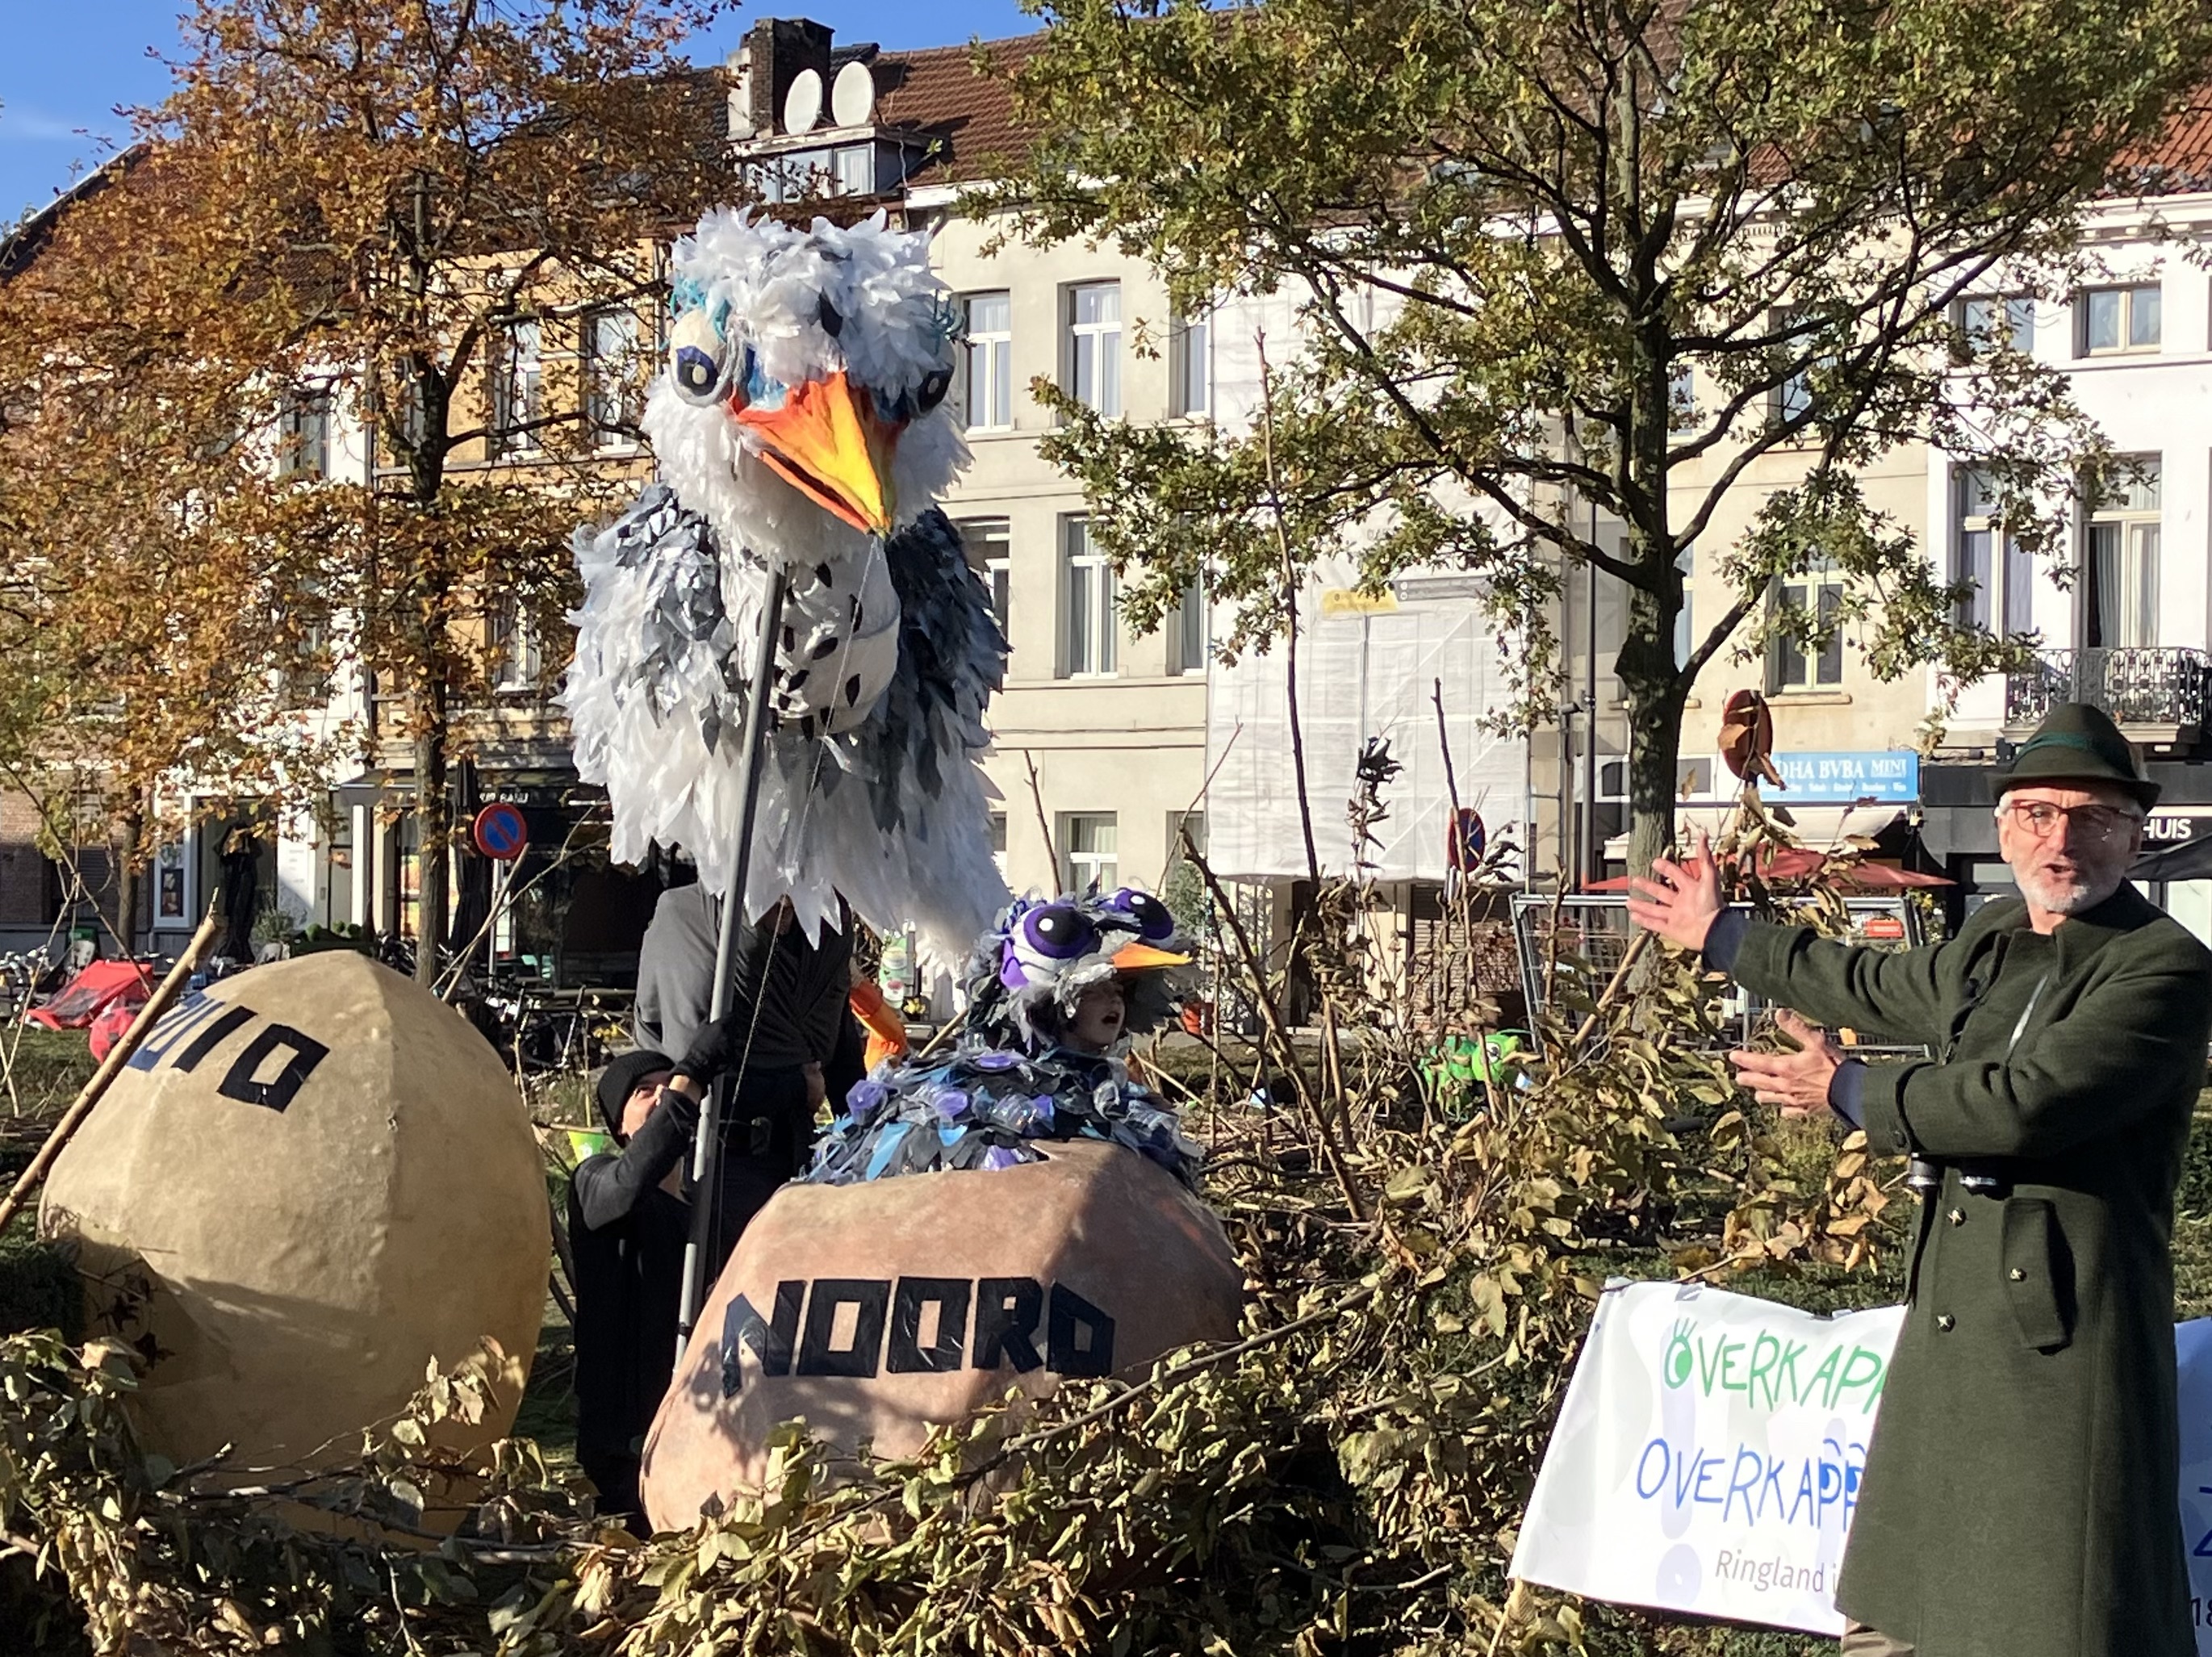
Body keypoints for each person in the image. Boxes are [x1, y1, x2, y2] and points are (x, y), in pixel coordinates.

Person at [1627, 702, 2212, 1657]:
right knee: (1903, 1611)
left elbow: (2022, 1103)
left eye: (2091, 816)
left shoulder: (2162, 968)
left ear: (2132, 833)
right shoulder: (1985, 940)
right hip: (1951, 1344)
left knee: (2047, 1615)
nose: (2059, 839)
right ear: (2001, 825)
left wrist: (1849, 1087)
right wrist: (1728, 938)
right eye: (2035, 812)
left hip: (2058, 1362)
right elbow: (1871, 986)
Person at [804, 889, 1202, 1186]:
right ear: (1050, 1002)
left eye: (1121, 989)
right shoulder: (976, 1096)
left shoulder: (1119, 1101)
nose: (1114, 1000)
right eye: (1095, 988)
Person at [633, 881, 865, 1261]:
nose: (787, 903)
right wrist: (793, 1086)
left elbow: (842, 1053)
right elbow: (685, 1060)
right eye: (776, 889)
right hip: (719, 1156)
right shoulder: (692, 921)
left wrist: (869, 1136)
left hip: (797, 1157)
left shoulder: (826, 928)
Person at [567, 1048, 694, 1531]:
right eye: (646, 1092)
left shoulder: (704, 1207)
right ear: (620, 1126)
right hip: (623, 1441)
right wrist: (683, 1094)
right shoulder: (594, 1182)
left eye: (671, 1083)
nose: (664, 1094)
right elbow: (629, 1184)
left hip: (692, 1421)